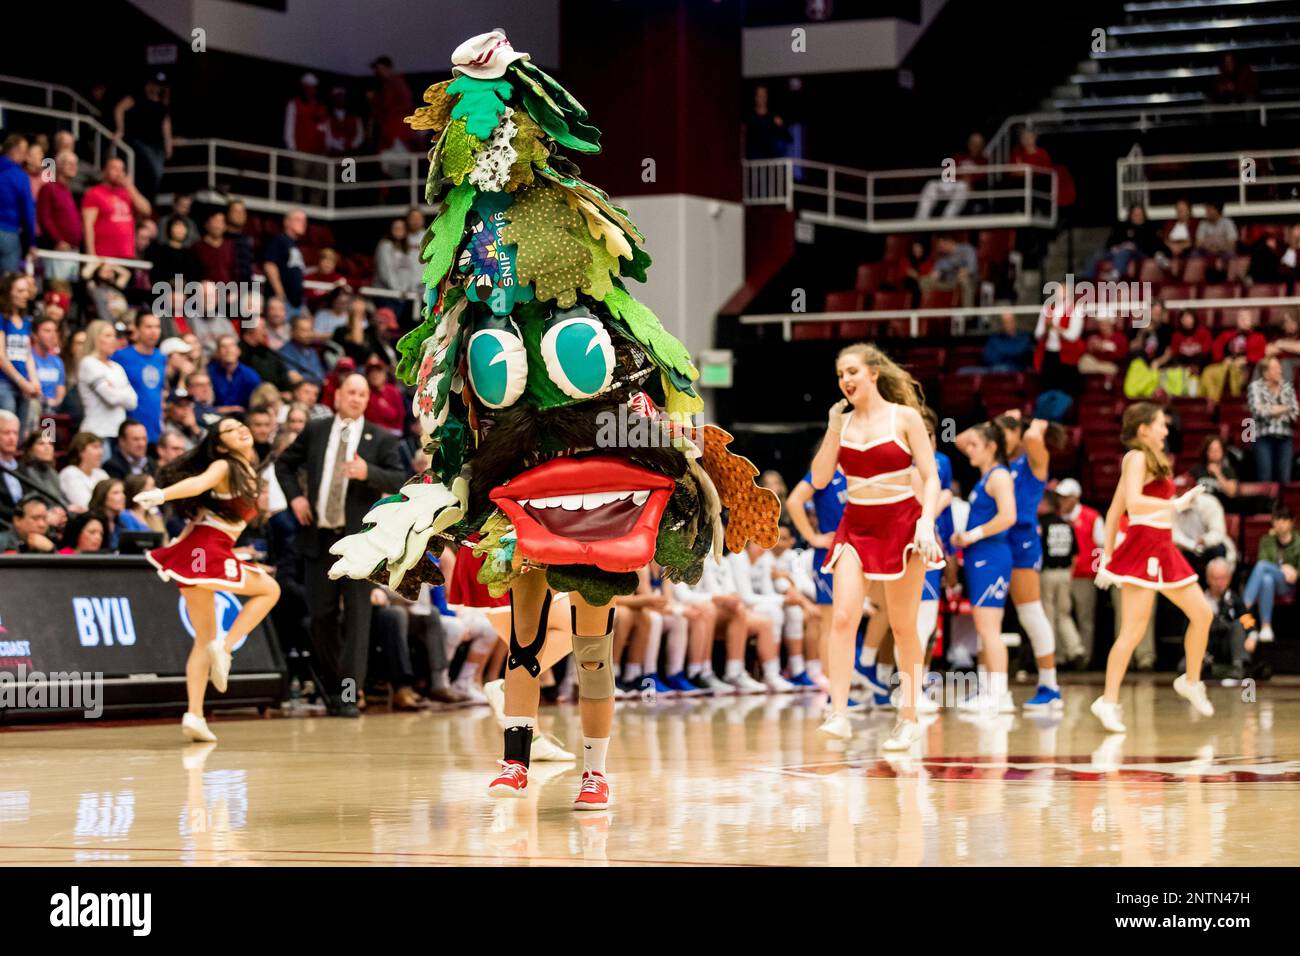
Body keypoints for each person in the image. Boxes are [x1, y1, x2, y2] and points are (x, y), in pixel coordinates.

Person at [810, 343, 944, 750]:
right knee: (843, 617)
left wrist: (926, 522)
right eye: (839, 375)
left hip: (902, 525)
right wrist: (833, 427)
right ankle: (839, 713)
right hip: (856, 525)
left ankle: (909, 715)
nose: (845, 380)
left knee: (903, 627)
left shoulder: (905, 418)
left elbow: (932, 477)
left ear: (873, 373)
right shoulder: (843, 424)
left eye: (852, 371)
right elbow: (818, 479)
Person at [139, 418, 280, 742]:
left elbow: (202, 508)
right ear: (219, 445)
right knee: (269, 589)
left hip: (199, 548)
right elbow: (198, 483)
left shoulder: (248, 472)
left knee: (203, 639)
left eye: (239, 425)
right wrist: (160, 495)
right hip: (208, 549)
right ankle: (226, 649)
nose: (240, 429)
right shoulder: (224, 465)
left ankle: (195, 714)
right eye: (229, 430)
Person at [274, 372, 406, 716]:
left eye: (363, 394)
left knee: (358, 620)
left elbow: (401, 478)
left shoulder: (379, 438)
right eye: (351, 392)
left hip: (359, 543)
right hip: (319, 537)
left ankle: (349, 695)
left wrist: (368, 473)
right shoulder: (317, 430)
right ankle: (334, 687)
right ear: (337, 396)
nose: (357, 399)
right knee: (321, 617)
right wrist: (295, 499)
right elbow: (284, 464)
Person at [1093, 402, 1215, 734]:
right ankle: (1108, 701)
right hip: (1143, 547)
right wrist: (1175, 504)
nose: (1166, 429)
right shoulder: (1134, 457)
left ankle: (1191, 681)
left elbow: (1114, 510)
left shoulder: (1153, 460)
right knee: (1132, 632)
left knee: (1203, 614)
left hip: (1163, 547)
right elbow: (1130, 504)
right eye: (1161, 424)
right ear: (1144, 428)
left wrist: (1106, 555)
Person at [988, 412, 1062, 710]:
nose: (1000, 435)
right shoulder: (1001, 465)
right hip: (999, 541)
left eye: (1006, 430)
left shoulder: (1034, 460)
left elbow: (1033, 437)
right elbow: (964, 438)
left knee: (1031, 612)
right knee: (990, 616)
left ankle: (1050, 684)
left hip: (1023, 541)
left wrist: (1031, 421)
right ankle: (989, 686)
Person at [950, 422, 1017, 714]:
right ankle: (989, 689)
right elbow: (960, 438)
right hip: (981, 557)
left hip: (992, 557)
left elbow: (1009, 516)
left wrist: (972, 535)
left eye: (976, 445)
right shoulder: (986, 475)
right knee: (983, 628)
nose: (968, 449)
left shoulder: (999, 475)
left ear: (991, 447)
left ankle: (1000, 694)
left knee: (990, 629)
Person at [1056, 478, 1103, 667]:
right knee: (1060, 615)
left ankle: (1085, 658)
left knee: (1085, 618)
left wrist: (1098, 570)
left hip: (1084, 576)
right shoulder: (1056, 517)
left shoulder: (1091, 516)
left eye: (1066, 498)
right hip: (1063, 574)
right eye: (1060, 498)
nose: (1062, 502)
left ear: (1075, 498)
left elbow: (1103, 544)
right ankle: (1063, 656)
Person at [1241, 506, 1300, 645]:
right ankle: (1266, 628)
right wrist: (1283, 568)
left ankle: (1243, 608)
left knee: (1262, 566)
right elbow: (1263, 563)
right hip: (1272, 580)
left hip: (1290, 584)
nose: (1280, 523)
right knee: (1267, 580)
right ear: (1273, 522)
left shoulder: (1299, 542)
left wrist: (1295, 572)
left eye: (1285, 519)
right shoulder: (1266, 540)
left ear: (1292, 522)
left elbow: (1264, 565)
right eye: (1277, 519)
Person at [77, 320, 138, 455]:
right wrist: (122, 391)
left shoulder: (117, 367)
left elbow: (133, 401)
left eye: (114, 336)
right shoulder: (88, 363)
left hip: (117, 434)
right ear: (95, 338)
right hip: (97, 434)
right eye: (108, 336)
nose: (113, 340)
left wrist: (114, 390)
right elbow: (111, 398)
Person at [113, 74, 172, 202]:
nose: (156, 88)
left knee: (158, 174)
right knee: (153, 169)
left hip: (157, 144)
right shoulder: (137, 97)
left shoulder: (162, 104)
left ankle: (149, 201)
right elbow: (119, 109)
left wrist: (168, 145)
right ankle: (145, 200)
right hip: (139, 140)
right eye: (154, 85)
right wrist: (120, 129)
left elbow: (166, 125)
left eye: (159, 86)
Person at [82, 158, 151, 261]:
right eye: (114, 168)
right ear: (105, 171)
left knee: (179, 276)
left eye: (121, 169)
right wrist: (91, 255)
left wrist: (130, 187)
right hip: (104, 256)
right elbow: (88, 225)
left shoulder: (127, 193)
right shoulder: (94, 193)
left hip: (127, 255)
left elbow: (146, 210)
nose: (119, 173)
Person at [113, 313, 167, 443]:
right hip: (129, 430)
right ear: (137, 329)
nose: (154, 332)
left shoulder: (161, 357)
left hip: (155, 430)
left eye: (157, 327)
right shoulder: (121, 356)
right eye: (148, 327)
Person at [1246, 355, 1298, 483]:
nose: (1279, 371)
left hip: (1285, 437)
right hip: (1263, 437)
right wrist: (1285, 408)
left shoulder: (1287, 387)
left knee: (1284, 479)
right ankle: (1266, 503)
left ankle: (1283, 503)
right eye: (1275, 368)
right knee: (1265, 479)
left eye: (1279, 368)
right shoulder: (1255, 387)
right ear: (1265, 373)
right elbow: (1259, 412)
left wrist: (1271, 408)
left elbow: (1295, 411)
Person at [0, 273, 40, 432]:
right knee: (6, 430)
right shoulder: (2, 318)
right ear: (9, 292)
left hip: (24, 386)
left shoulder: (26, 321)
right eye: (21, 291)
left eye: (27, 291)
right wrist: (22, 382)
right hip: (4, 384)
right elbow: (1, 356)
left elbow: (28, 354)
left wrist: (34, 381)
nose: (26, 295)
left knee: (20, 433)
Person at [36, 150, 83, 282]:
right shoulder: (49, 188)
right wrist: (58, 240)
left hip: (72, 251)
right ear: (59, 166)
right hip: (57, 250)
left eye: (75, 164)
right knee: (57, 289)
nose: (74, 167)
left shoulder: (67, 191)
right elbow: (44, 218)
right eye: (69, 164)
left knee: (68, 291)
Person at [1203, 558, 1253, 680]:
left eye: (1223, 578)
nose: (1219, 583)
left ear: (1229, 579)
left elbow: (1247, 619)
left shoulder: (1234, 599)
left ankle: (1237, 667)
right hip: (1207, 649)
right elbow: (1187, 628)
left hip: (1228, 647)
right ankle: (1218, 670)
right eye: (1215, 578)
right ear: (1208, 578)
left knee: (1237, 624)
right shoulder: (1200, 600)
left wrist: (1252, 635)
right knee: (1183, 668)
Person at [1202, 308, 1267, 402]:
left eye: (1246, 318)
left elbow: (1261, 354)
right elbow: (1216, 347)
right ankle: (1213, 402)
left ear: (1252, 321)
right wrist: (1224, 359)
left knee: (1233, 373)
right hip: (1225, 365)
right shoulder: (1227, 335)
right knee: (1208, 372)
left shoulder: (1258, 337)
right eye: (1241, 318)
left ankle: (1233, 402)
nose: (1243, 320)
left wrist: (1246, 359)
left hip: (1245, 368)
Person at [262, 210, 308, 315]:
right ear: (287, 222)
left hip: (295, 303)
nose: (303, 223)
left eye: (304, 220)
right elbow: (269, 265)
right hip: (283, 304)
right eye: (298, 220)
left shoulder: (294, 244)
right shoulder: (280, 240)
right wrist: (280, 295)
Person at [0, 134, 35, 273]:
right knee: (8, 282)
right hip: (8, 233)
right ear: (15, 151)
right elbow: (28, 211)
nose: (25, 156)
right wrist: (31, 242)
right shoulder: (19, 176)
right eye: (24, 152)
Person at [919, 235, 977, 308]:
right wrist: (933, 276)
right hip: (949, 282)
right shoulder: (942, 258)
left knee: (963, 280)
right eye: (939, 246)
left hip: (967, 279)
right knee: (924, 281)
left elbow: (971, 268)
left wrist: (962, 272)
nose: (940, 248)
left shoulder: (967, 249)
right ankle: (926, 311)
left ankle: (968, 314)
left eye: (942, 245)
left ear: (950, 242)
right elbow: (935, 273)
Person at [208, 335, 261, 413]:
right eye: (223, 347)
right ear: (217, 353)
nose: (228, 350)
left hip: (243, 417)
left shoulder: (250, 376)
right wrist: (223, 410)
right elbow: (201, 406)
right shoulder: (209, 373)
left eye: (231, 346)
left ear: (238, 351)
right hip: (215, 416)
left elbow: (256, 407)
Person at [58, 432, 109, 512]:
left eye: (100, 447)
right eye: (95, 447)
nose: (100, 452)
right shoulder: (70, 474)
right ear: (81, 451)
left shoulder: (101, 473)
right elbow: (85, 505)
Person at [15, 430, 66, 507]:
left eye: (50, 444)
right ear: (30, 450)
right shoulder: (25, 472)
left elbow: (60, 500)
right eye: (41, 443)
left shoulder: (53, 473)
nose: (47, 447)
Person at [1190, 435, 1239, 507]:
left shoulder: (1228, 471)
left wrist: (1218, 474)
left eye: (1218, 450)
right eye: (1211, 450)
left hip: (1221, 509)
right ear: (1206, 452)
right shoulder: (1197, 470)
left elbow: (1232, 492)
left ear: (1223, 451)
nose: (1215, 453)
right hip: (1200, 509)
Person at [30, 316, 66, 414]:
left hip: (53, 410)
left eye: (55, 331)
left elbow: (60, 388)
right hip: (33, 406)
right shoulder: (29, 358)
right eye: (47, 331)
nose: (53, 335)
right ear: (35, 335)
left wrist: (55, 402)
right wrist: (46, 401)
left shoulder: (57, 361)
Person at [279, 314, 326, 385]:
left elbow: (321, 376)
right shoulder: (285, 352)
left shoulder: (313, 352)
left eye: (310, 330)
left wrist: (307, 378)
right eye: (303, 330)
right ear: (292, 332)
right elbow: (295, 379)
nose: (308, 334)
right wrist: (314, 378)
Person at [87, 477, 127, 550]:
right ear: (102, 496)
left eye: (123, 492)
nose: (123, 496)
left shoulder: (120, 523)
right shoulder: (90, 521)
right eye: (116, 493)